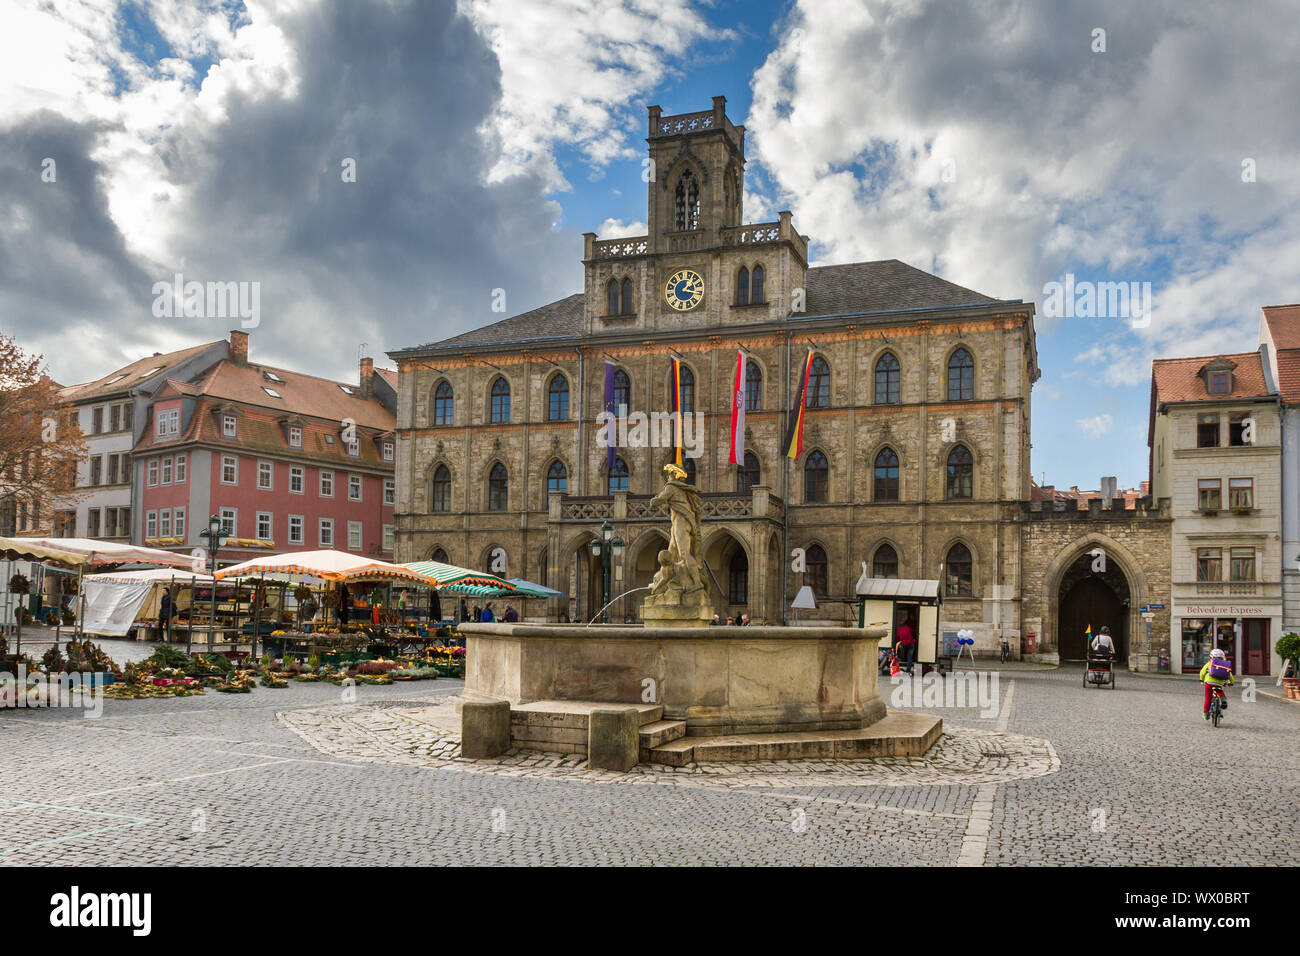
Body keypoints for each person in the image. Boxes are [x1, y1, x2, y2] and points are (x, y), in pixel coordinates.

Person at [1199, 648, 1234, 719]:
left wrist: (1201, 679)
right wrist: (1231, 682)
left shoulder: (1210, 663)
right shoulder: (1224, 664)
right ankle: (1223, 698)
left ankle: (1206, 714)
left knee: (1208, 698)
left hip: (1209, 683)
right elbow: (1230, 675)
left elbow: (1202, 671)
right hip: (1219, 683)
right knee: (1220, 690)